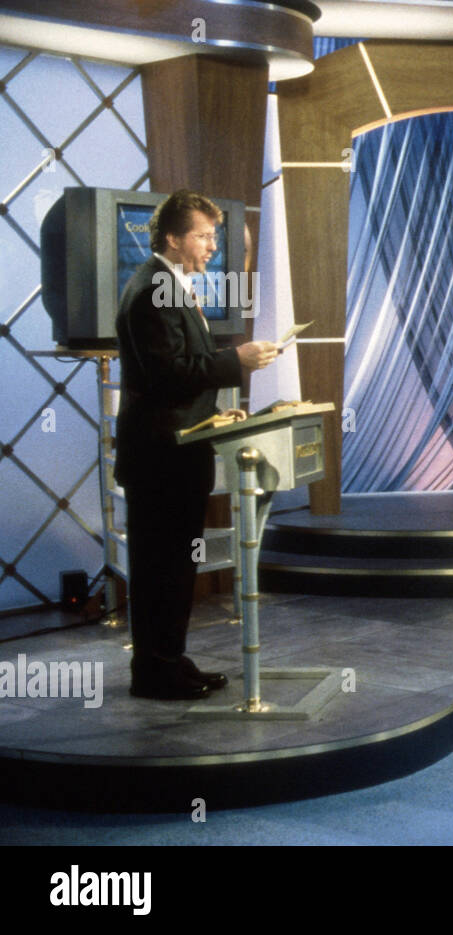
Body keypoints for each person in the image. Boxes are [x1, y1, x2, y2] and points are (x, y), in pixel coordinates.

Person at [115, 190, 277, 699]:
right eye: (203, 235)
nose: (212, 246)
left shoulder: (172, 284)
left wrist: (214, 412)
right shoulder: (151, 291)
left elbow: (183, 372)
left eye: (214, 235)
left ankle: (170, 659)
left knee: (175, 566)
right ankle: (155, 672)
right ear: (172, 238)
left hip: (179, 449)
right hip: (161, 458)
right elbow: (168, 376)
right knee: (160, 567)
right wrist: (238, 360)